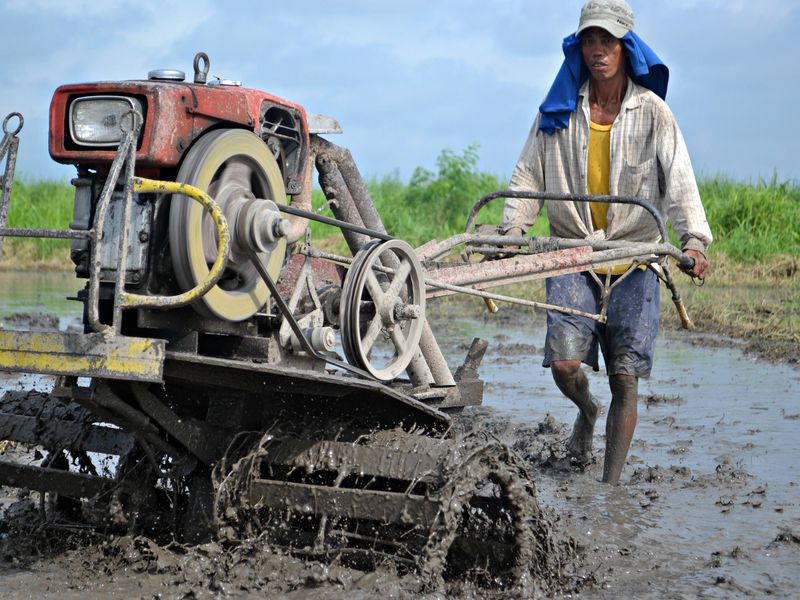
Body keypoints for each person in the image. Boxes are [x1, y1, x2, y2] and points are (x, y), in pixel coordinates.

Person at [501, 0, 712, 484]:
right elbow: (528, 174)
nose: (598, 50)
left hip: (635, 257)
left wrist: (694, 241)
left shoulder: (653, 113)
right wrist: (513, 231)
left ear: (626, 48)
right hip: (574, 251)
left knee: (625, 376)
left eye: (608, 41)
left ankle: (609, 490)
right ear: (579, 48)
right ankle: (587, 409)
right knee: (564, 363)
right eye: (590, 41)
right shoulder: (558, 110)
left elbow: (680, 180)